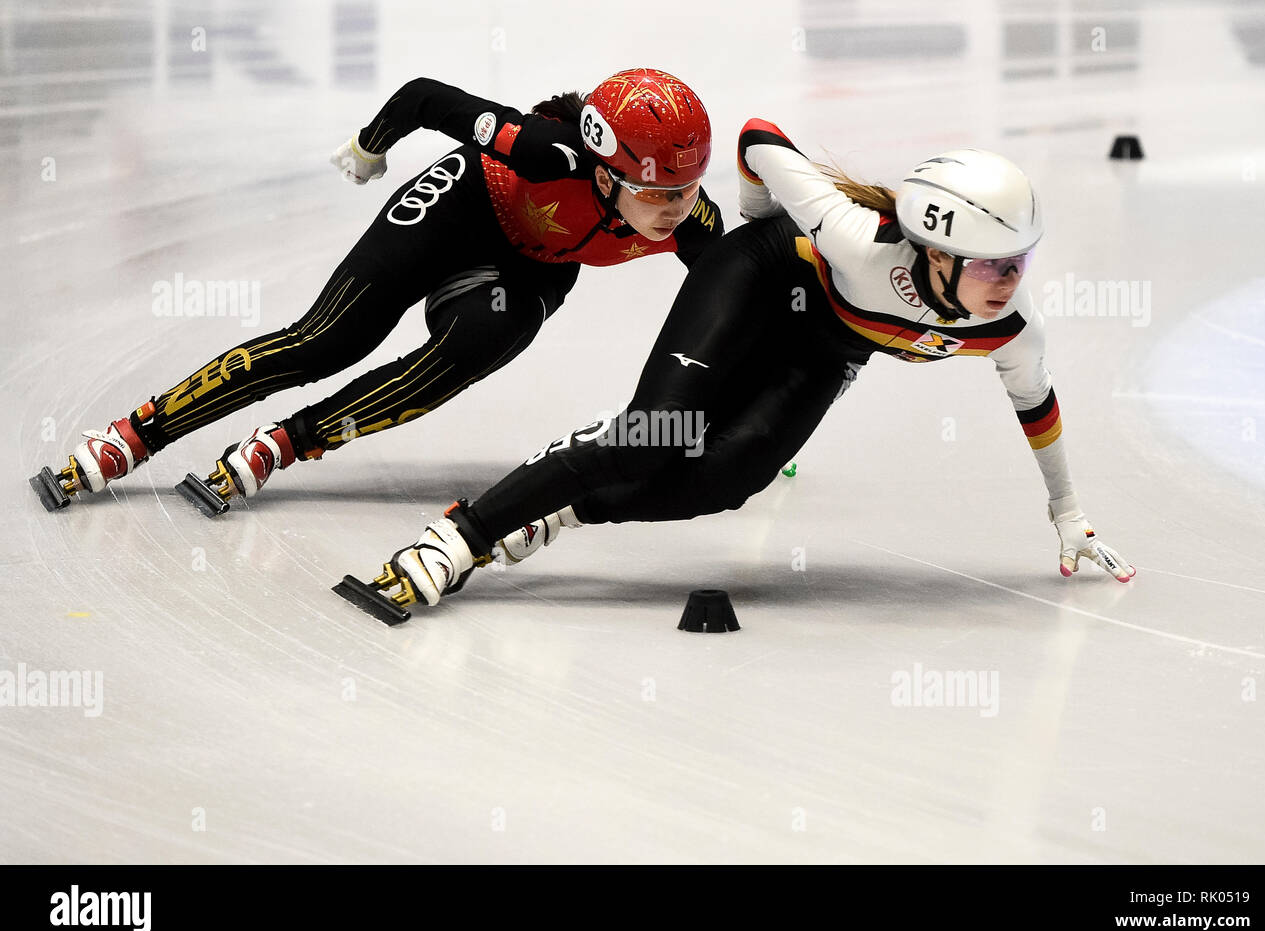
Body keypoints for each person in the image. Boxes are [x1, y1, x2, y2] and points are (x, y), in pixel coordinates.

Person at [347, 118, 1134, 616]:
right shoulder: (852, 237)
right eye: (992, 264)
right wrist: (757, 221)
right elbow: (758, 138)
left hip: (827, 345)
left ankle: (559, 512)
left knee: (727, 481)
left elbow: (1037, 406)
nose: (1011, 280)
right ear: (933, 252)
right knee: (656, 433)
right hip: (756, 275)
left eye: (1020, 260)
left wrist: (1067, 514)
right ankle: (461, 533)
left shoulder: (1012, 331)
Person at [31, 69, 721, 514]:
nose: (676, 208)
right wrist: (369, 146)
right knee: (324, 343)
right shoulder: (545, 153)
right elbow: (424, 95)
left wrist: (746, 408)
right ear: (601, 174)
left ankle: (290, 441)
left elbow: (728, 312)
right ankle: (138, 431)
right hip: (465, 207)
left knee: (468, 354)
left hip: (526, 270)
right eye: (658, 192)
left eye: (687, 189)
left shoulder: (694, 222)